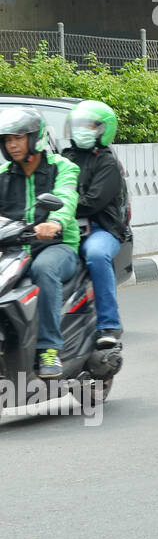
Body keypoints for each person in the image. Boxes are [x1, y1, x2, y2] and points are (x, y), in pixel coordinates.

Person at [0, 107, 82, 378]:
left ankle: (49, 349)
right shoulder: (3, 173)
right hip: (11, 251)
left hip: (55, 247)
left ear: (34, 138)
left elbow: (67, 198)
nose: (12, 145)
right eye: (8, 139)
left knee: (44, 270)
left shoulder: (62, 167)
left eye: (18, 138)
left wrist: (55, 222)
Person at [61, 100, 130, 347]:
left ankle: (109, 324)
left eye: (88, 125)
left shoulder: (107, 162)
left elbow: (92, 202)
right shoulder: (64, 158)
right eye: (78, 125)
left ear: (103, 129)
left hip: (101, 229)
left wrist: (64, 202)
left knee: (96, 255)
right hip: (67, 227)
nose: (81, 130)